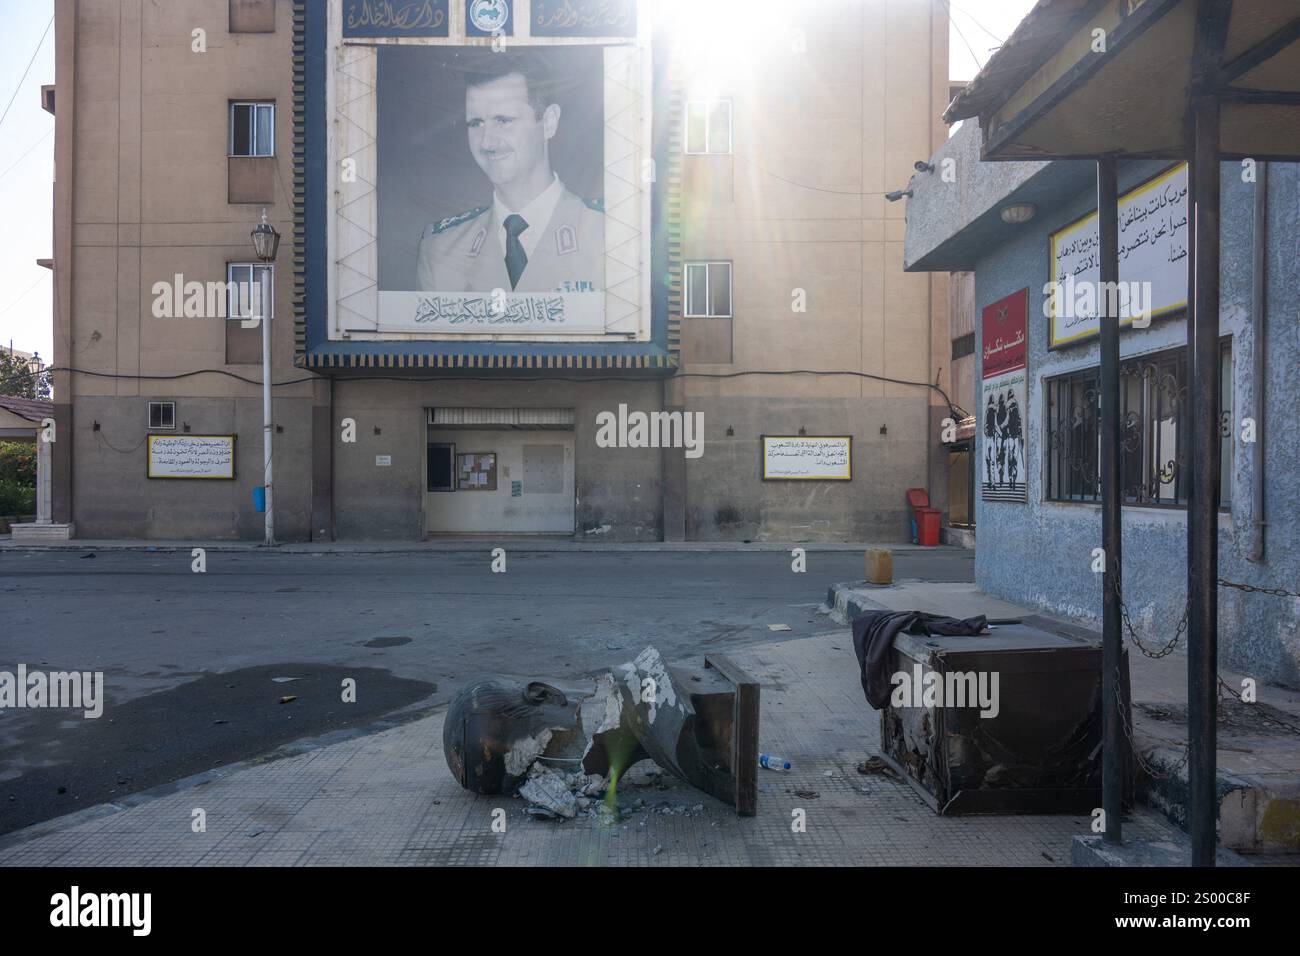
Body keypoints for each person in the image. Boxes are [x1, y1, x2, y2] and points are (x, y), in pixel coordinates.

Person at [417, 53, 604, 294]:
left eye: (503, 120)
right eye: (476, 123)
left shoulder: (609, 235)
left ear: (548, 122)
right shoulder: (441, 250)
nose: (487, 142)